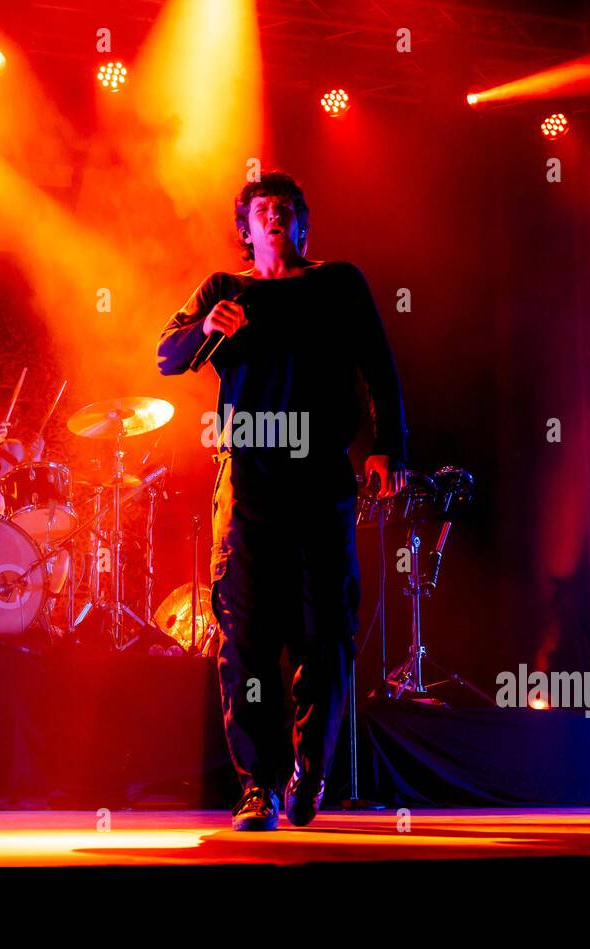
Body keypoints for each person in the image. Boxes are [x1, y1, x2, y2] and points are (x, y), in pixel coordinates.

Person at [157, 171, 408, 830]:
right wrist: (202, 328)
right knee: (245, 634)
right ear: (246, 227)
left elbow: (379, 365)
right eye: (262, 209)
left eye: (287, 209)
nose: (275, 217)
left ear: (302, 225)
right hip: (247, 479)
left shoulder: (339, 281)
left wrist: (390, 447)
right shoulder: (223, 289)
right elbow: (165, 355)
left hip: (321, 475)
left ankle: (311, 773)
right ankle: (257, 787)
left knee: (326, 630)